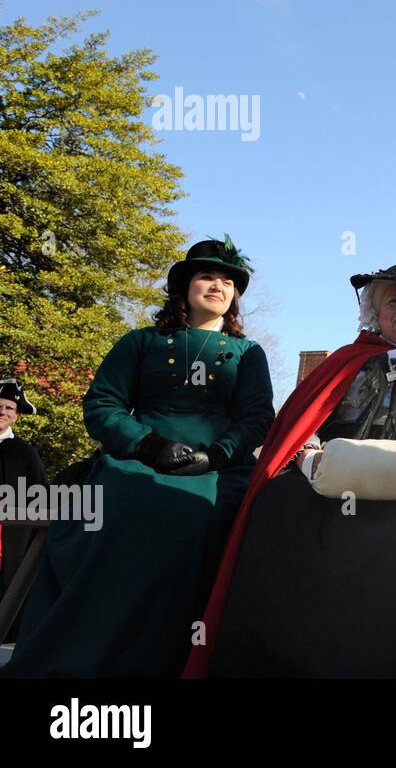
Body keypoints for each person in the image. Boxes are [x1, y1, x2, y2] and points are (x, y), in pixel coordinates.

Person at [186, 265, 396, 679]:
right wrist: (309, 459)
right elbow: (299, 430)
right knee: (275, 503)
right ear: (375, 310)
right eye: (391, 301)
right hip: (334, 487)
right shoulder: (344, 361)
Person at [4, 237, 274, 677]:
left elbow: (257, 416)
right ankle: (95, 654)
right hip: (137, 458)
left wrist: (216, 455)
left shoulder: (249, 354)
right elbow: (102, 404)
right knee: (123, 510)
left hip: (219, 467)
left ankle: (178, 660)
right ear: (184, 287)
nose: (217, 286)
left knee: (202, 518)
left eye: (228, 281)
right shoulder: (140, 341)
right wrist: (148, 445)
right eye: (206, 276)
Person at [0, 379, 48, 643]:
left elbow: (40, 501)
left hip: (10, 541)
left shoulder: (25, 454)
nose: (3, 412)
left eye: (9, 408)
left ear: (16, 417)